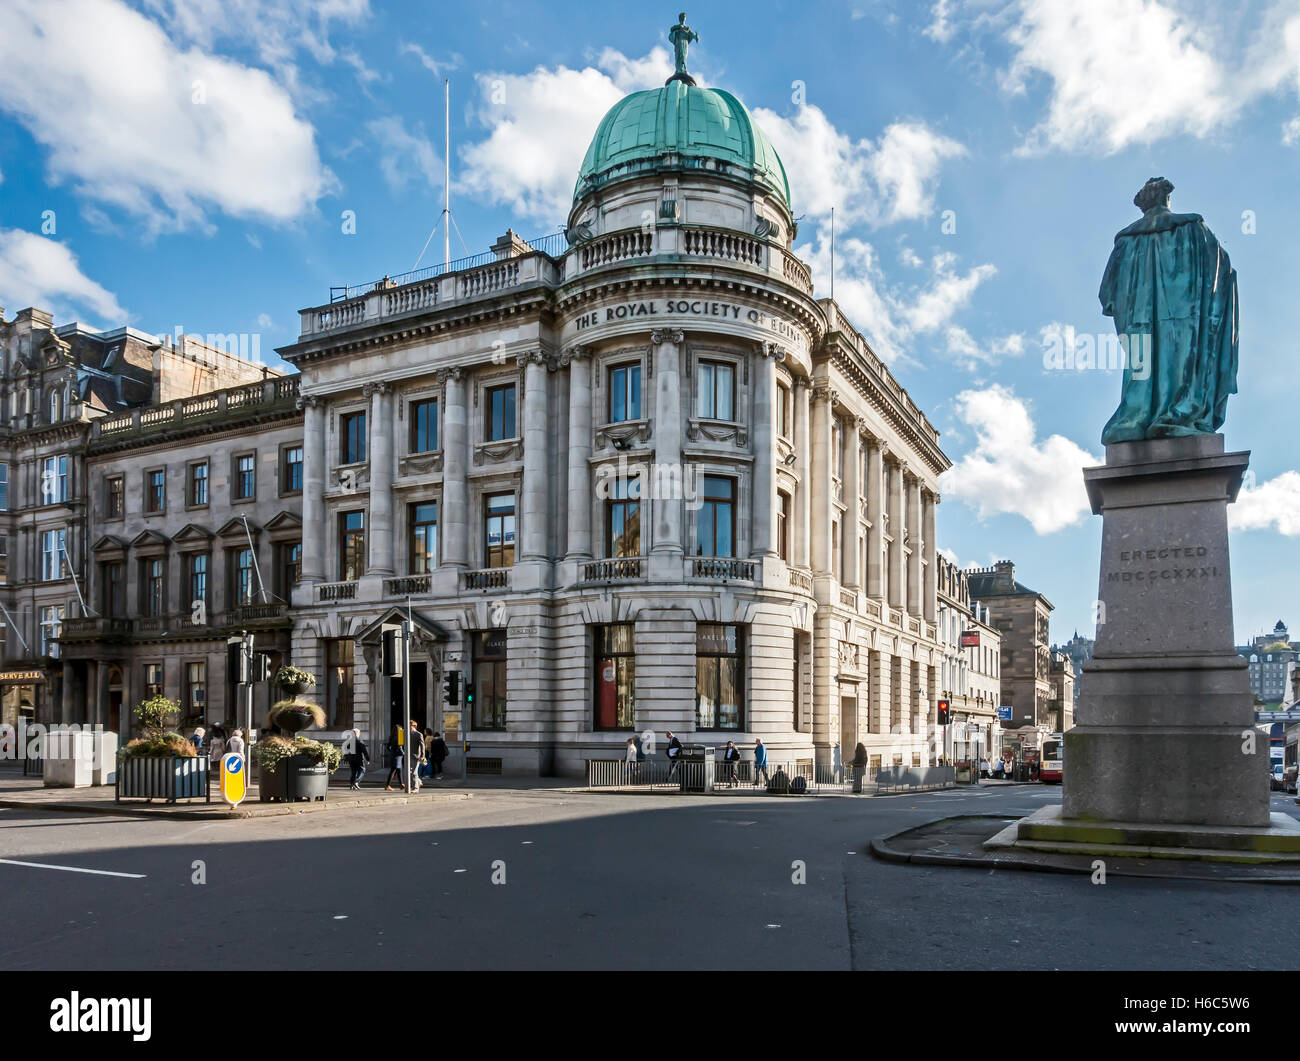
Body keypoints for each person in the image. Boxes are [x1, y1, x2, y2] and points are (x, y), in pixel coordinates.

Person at [384, 725, 405, 791]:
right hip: (398, 757)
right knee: (393, 771)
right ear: (399, 730)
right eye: (401, 729)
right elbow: (400, 747)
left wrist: (392, 751)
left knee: (399, 771)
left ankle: (401, 784)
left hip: (394, 756)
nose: (402, 731)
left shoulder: (392, 737)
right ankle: (387, 785)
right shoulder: (399, 737)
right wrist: (404, 754)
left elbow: (388, 746)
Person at [409, 720, 426, 791]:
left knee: (414, 773)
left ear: (414, 726)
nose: (408, 728)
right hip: (408, 756)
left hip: (416, 756)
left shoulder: (419, 734)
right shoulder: (406, 733)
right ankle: (419, 782)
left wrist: (422, 756)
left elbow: (423, 746)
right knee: (409, 772)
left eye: (409, 726)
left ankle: (415, 788)